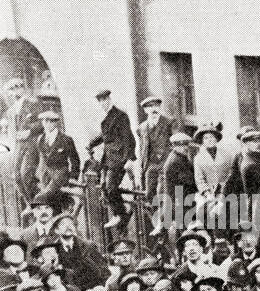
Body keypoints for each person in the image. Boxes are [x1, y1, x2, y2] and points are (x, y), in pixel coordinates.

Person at [86, 90, 136, 228]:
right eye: (100, 102)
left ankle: (120, 214)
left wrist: (128, 159)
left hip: (119, 159)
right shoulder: (108, 118)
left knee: (111, 187)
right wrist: (92, 143)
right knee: (104, 187)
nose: (102, 104)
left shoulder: (120, 116)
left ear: (109, 99)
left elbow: (128, 138)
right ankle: (120, 215)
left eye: (104, 100)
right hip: (108, 158)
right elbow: (105, 136)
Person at [135, 95, 174, 207]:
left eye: (156, 106)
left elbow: (175, 145)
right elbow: (142, 149)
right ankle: (158, 219)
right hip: (151, 166)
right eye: (150, 107)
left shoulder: (169, 123)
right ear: (145, 110)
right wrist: (141, 167)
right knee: (149, 194)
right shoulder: (141, 128)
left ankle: (165, 220)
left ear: (160, 108)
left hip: (166, 164)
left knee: (163, 193)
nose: (154, 109)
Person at [33, 110, 80, 198]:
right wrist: (39, 175)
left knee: (42, 198)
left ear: (55, 123)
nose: (46, 124)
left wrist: (73, 178)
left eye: (49, 121)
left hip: (60, 174)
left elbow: (75, 160)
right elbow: (41, 159)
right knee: (50, 203)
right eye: (44, 121)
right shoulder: (41, 139)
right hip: (46, 176)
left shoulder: (65, 139)